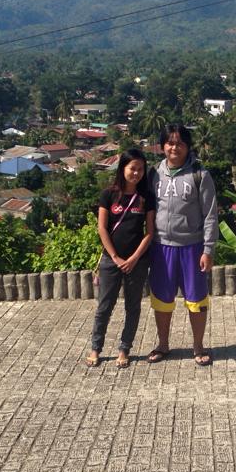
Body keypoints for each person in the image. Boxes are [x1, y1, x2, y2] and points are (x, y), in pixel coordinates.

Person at [147, 123, 218, 366]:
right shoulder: (154, 174)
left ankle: (198, 347)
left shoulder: (200, 175)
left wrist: (208, 249)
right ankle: (163, 345)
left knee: (197, 300)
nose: (174, 147)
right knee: (162, 299)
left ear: (187, 147)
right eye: (169, 142)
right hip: (161, 246)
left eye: (179, 143)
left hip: (192, 247)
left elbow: (210, 215)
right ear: (162, 146)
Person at [86, 148, 156, 368]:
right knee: (104, 306)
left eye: (140, 169)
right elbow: (102, 228)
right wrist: (115, 257)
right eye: (132, 168)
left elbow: (150, 232)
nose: (136, 173)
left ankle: (124, 349)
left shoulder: (146, 198)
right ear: (123, 168)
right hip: (110, 260)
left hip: (137, 261)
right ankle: (96, 348)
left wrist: (134, 258)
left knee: (132, 307)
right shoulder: (108, 195)